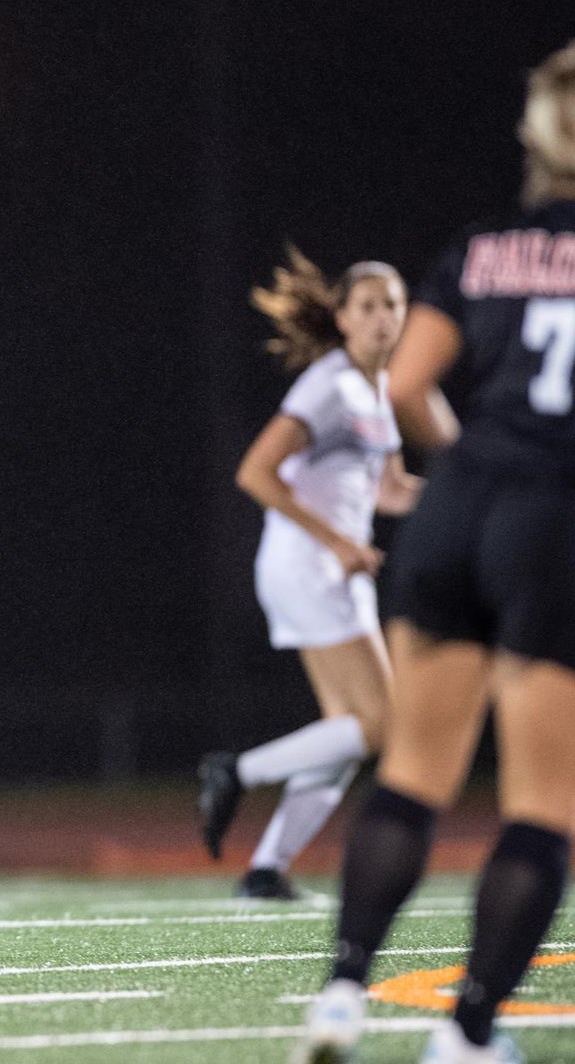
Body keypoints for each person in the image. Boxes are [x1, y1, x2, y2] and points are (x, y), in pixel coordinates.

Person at [294, 39, 575, 1064]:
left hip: (458, 506)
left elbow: (407, 386)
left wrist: (475, 468)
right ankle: (465, 1033)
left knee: (413, 774)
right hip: (551, 514)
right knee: (542, 802)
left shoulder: (482, 246)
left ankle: (339, 990)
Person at [198, 248, 421, 900]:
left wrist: (475, 491)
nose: (383, 318)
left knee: (347, 733)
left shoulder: (376, 387)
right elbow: (255, 472)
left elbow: (391, 490)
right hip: (309, 564)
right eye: (368, 306)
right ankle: (237, 770)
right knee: (383, 724)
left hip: (333, 569)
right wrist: (338, 542)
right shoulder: (329, 384)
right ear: (343, 318)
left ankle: (267, 869)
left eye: (393, 305)